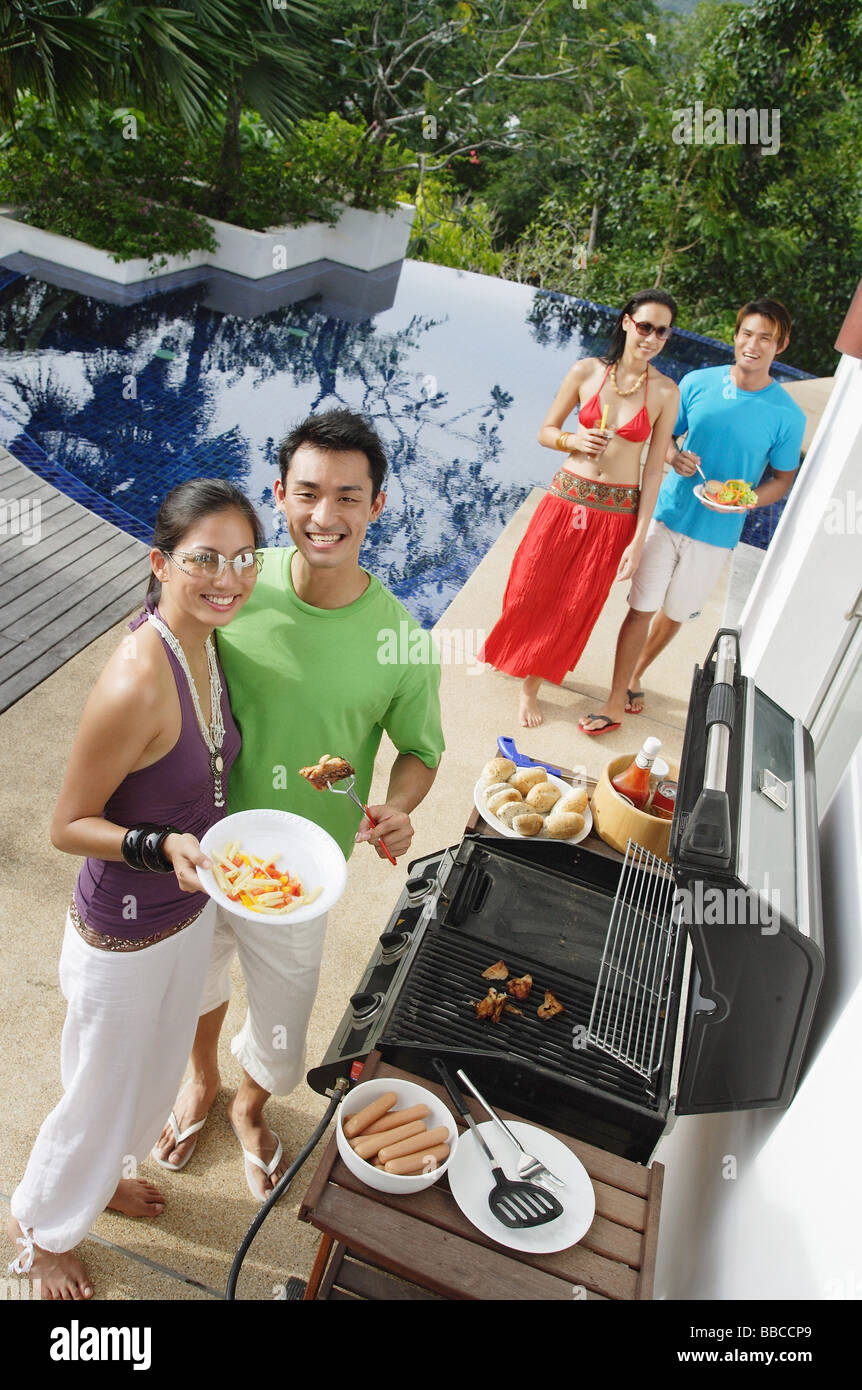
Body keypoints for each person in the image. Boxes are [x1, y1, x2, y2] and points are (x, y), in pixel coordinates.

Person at [154, 409, 445, 1199]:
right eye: (309, 493)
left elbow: (422, 749)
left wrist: (397, 804)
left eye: (349, 497)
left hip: (302, 871)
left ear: (377, 506)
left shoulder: (403, 641)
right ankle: (201, 1082)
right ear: (279, 494)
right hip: (199, 848)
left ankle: (251, 1105)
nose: (326, 516)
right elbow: (162, 648)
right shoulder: (236, 585)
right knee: (195, 982)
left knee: (283, 1017)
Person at [6, 479, 263, 1300]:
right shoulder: (135, 679)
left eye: (244, 558)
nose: (229, 577)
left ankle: (109, 1178)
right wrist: (161, 846)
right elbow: (67, 824)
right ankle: (40, 1231)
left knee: (153, 1079)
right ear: (160, 563)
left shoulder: (209, 640)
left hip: (185, 914)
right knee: (97, 1096)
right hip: (120, 935)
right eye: (205, 560)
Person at [579, 297, 805, 732]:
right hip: (668, 515)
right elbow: (662, 437)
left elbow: (782, 478)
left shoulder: (786, 416)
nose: (752, 345)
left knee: (677, 612)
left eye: (765, 338)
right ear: (736, 335)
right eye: (747, 333)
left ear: (782, 345)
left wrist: (748, 499)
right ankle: (612, 698)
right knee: (640, 606)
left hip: (717, 532)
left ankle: (637, 672)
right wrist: (674, 455)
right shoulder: (699, 382)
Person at [479, 289, 680, 728]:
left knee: (573, 603)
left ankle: (531, 684)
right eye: (645, 325)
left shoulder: (665, 391)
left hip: (614, 516)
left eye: (661, 331)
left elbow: (652, 472)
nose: (651, 337)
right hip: (566, 498)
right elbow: (546, 431)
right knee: (529, 586)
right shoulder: (587, 372)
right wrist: (573, 440)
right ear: (627, 322)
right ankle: (516, 648)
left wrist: (638, 538)